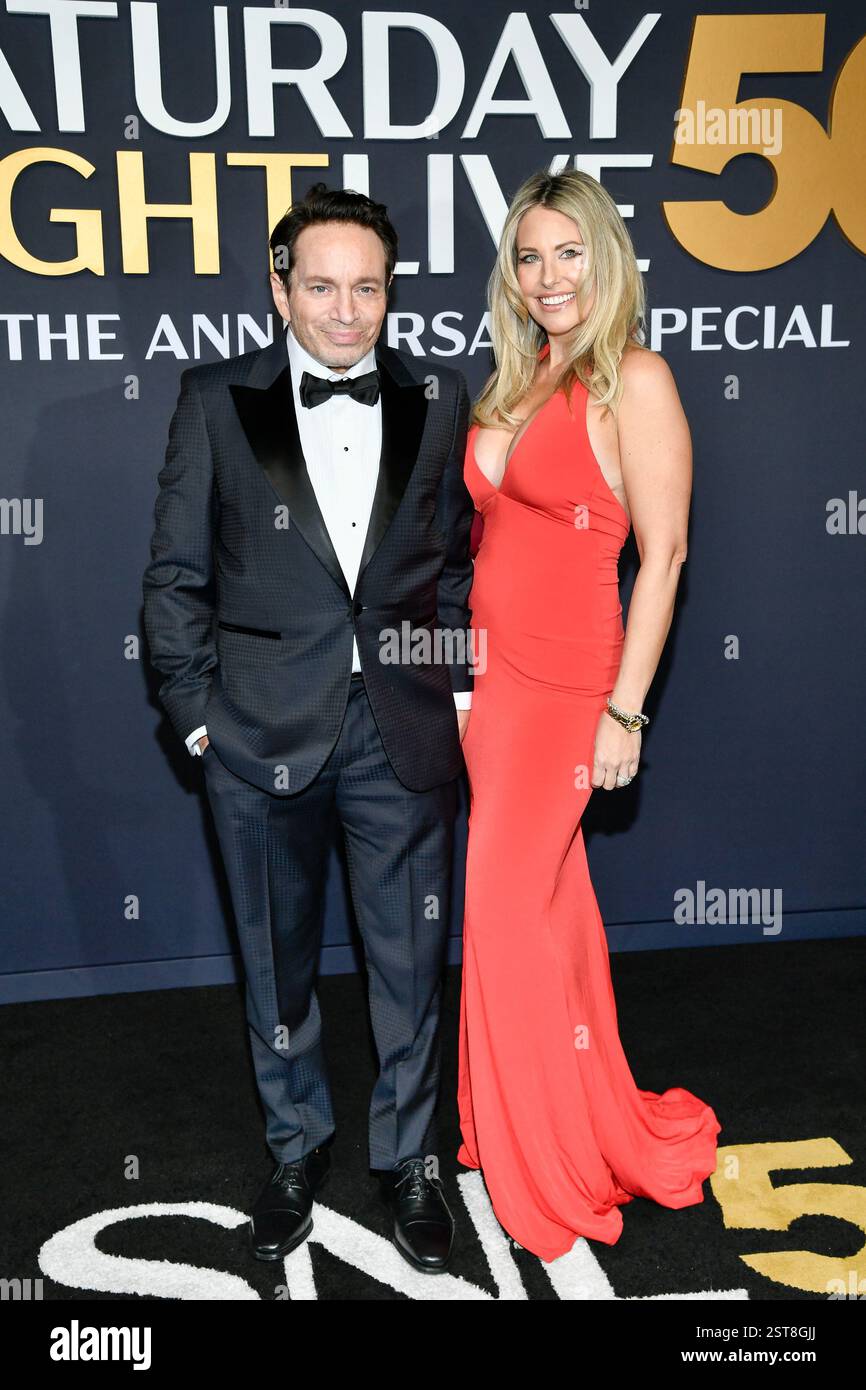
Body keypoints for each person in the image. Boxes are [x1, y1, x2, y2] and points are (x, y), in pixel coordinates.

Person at [142, 183, 475, 1274]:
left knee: (412, 960)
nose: (345, 310)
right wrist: (197, 723)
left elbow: (454, 566)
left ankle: (411, 1162)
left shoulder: (438, 394)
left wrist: (451, 691)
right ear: (278, 285)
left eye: (366, 287)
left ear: (388, 290)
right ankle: (295, 1147)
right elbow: (175, 580)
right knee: (273, 963)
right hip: (256, 736)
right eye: (321, 285)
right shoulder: (211, 399)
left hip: (401, 731)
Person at [456, 168, 721, 1262]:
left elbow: (662, 557)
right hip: (491, 684)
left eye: (568, 253)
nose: (547, 275)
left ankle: (543, 1165)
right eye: (528, 256)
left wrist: (624, 714)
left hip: (572, 690)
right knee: (552, 917)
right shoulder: (516, 376)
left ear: (604, 261)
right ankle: (570, 1119)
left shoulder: (634, 380)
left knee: (503, 916)